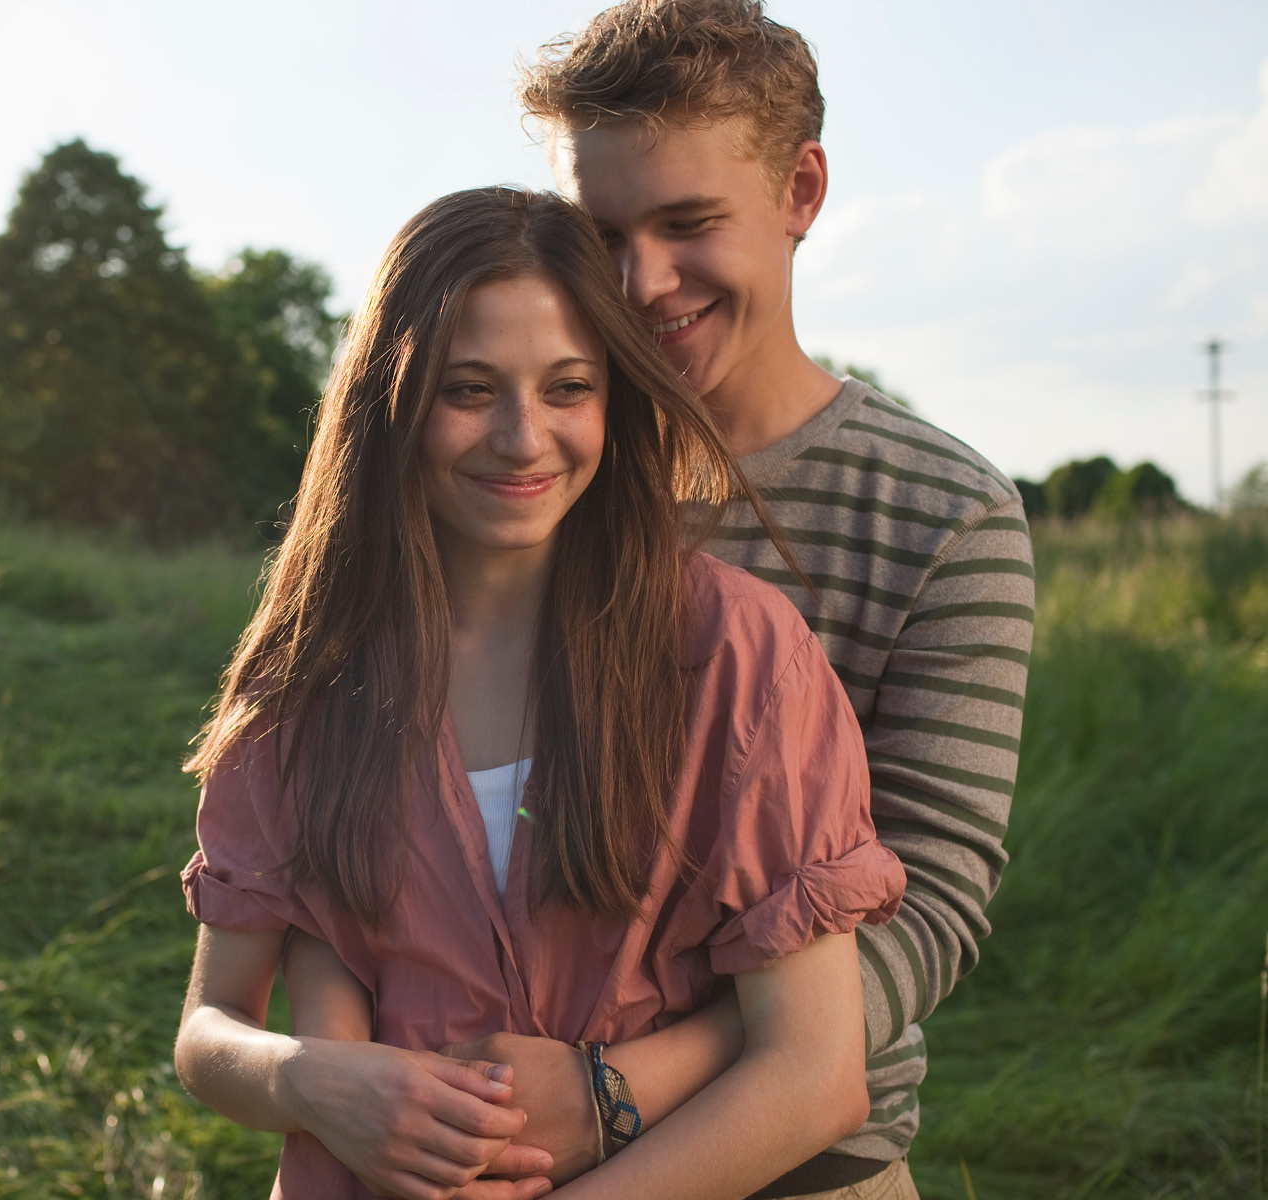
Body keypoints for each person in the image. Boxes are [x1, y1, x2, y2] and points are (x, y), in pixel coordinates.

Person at [172, 185, 905, 1200]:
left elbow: (815, 1079)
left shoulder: (732, 650)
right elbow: (209, 1034)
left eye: (568, 387)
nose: (523, 438)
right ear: (391, 402)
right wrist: (304, 1079)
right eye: (469, 390)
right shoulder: (303, 685)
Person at [420, 4, 1038, 1197]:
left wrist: (617, 1084)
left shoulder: (945, 512)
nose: (642, 283)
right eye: (600, 232)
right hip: (488, 1148)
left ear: (799, 190)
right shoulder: (529, 467)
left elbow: (932, 898)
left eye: (689, 223)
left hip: (805, 1159)